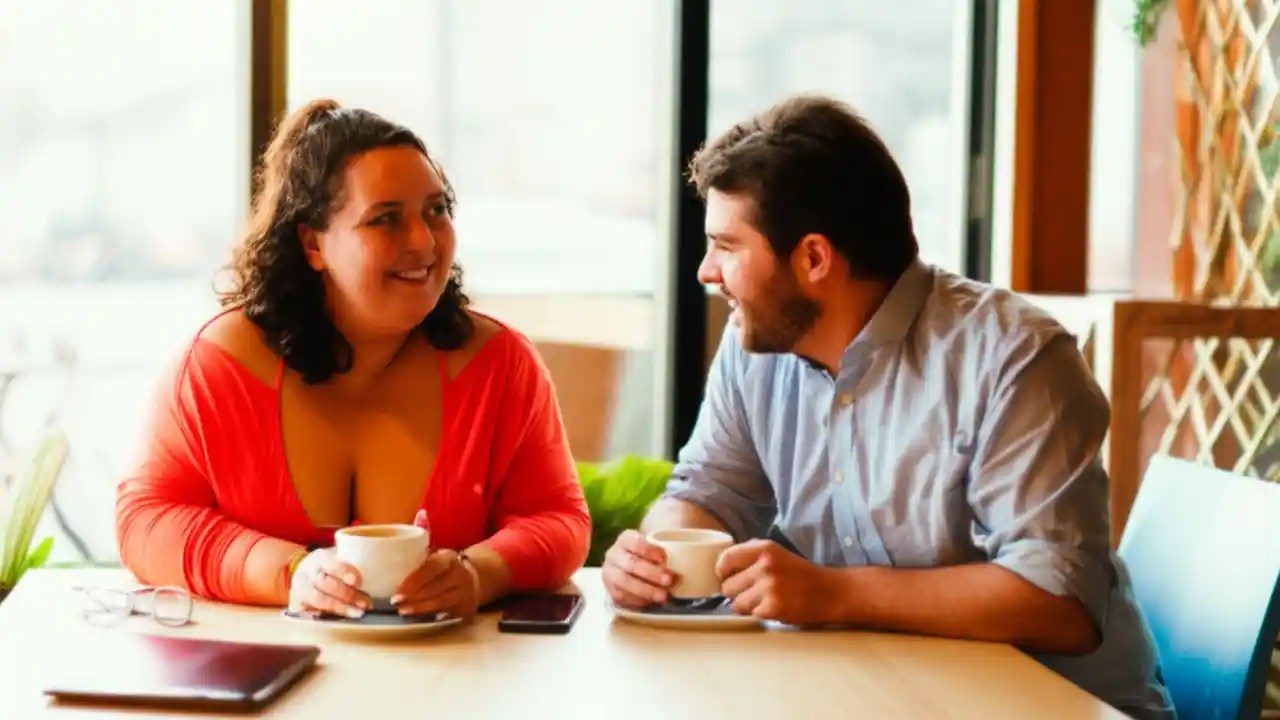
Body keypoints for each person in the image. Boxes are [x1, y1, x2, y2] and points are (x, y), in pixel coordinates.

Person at [601, 95, 1172, 718]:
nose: (706, 272)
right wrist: (656, 558)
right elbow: (709, 492)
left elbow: (1058, 602)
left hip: (1052, 705)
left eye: (727, 247)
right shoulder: (755, 349)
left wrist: (832, 595)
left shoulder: (1014, 357)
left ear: (813, 258)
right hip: (883, 695)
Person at [116, 99, 591, 621]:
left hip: (447, 667)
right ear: (313, 244)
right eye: (385, 219)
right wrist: (289, 573)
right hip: (265, 667)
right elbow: (145, 521)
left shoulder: (500, 363)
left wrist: (478, 574)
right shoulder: (219, 365)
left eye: (436, 210)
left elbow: (559, 519)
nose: (424, 240)